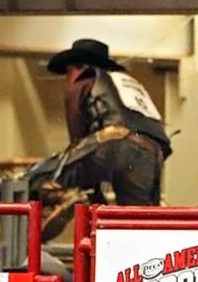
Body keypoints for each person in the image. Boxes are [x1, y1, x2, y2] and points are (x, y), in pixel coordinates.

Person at [38, 38, 171, 230]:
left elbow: (78, 140)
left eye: (68, 71)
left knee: (36, 178)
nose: (68, 77)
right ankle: (99, 214)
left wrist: (78, 180)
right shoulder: (130, 85)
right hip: (151, 153)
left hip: (112, 143)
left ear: (81, 66)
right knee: (138, 221)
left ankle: (74, 197)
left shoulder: (84, 82)